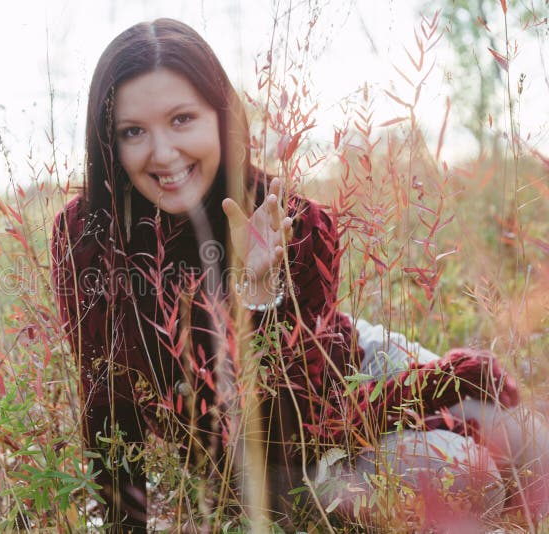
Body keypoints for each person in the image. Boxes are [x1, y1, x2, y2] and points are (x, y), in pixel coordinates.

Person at [50, 18, 548, 532]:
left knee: (509, 458)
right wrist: (121, 522)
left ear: (220, 118)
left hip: (350, 379)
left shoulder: (292, 221)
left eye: (182, 119)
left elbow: (297, 426)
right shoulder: (85, 239)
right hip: (294, 458)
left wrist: (261, 293)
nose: (162, 152)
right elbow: (106, 404)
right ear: (108, 142)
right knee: (440, 480)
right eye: (133, 131)